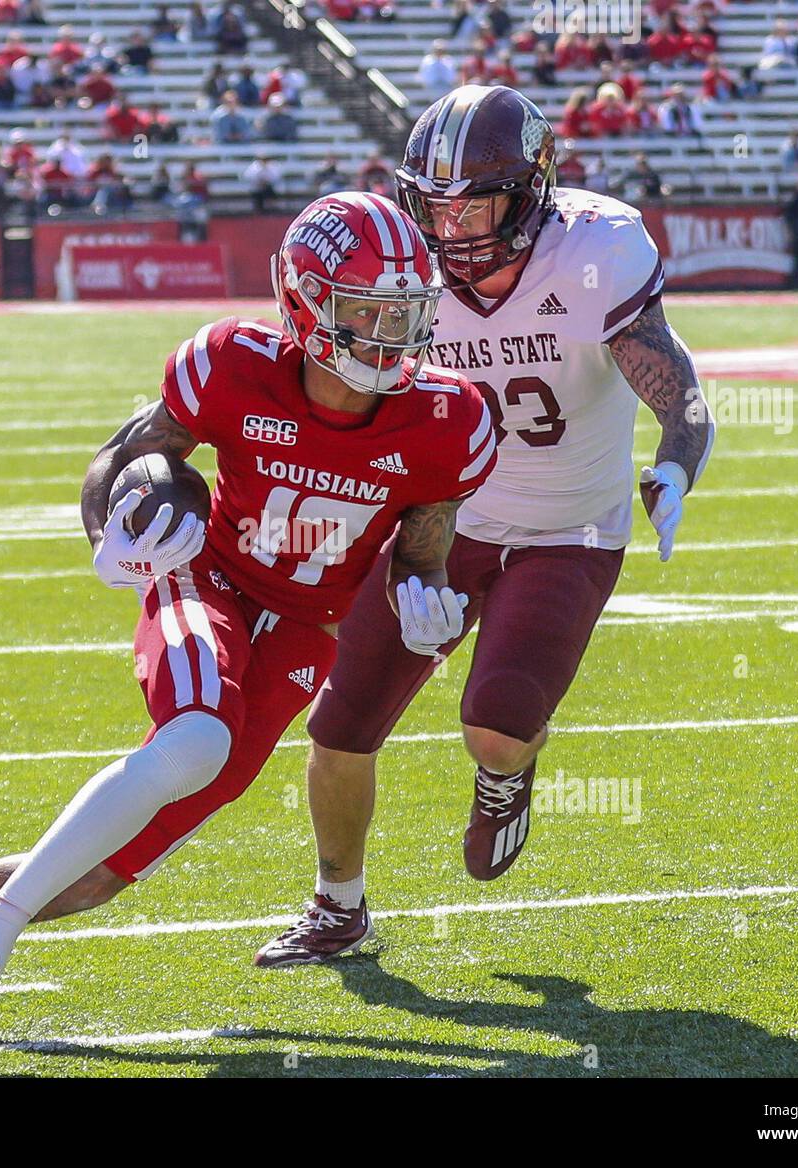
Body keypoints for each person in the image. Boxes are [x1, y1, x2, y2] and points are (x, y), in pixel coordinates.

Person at [0, 192, 498, 1024]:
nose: (392, 336)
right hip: (203, 577)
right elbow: (126, 455)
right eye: (366, 311)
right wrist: (109, 536)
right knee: (196, 737)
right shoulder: (234, 362)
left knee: (98, 876)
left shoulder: (449, 416)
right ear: (307, 301)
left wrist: (422, 601)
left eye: (406, 313)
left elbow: (422, 552)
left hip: (306, 632)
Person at [251, 85, 715, 965]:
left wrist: (677, 460)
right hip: (446, 514)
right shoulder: (403, 269)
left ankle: (507, 774)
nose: (455, 226)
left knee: (497, 719)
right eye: (437, 205)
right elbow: (363, 403)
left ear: (532, 189)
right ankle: (337, 909)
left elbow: (677, 382)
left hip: (570, 527)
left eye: (477, 203)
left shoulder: (595, 250)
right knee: (341, 721)